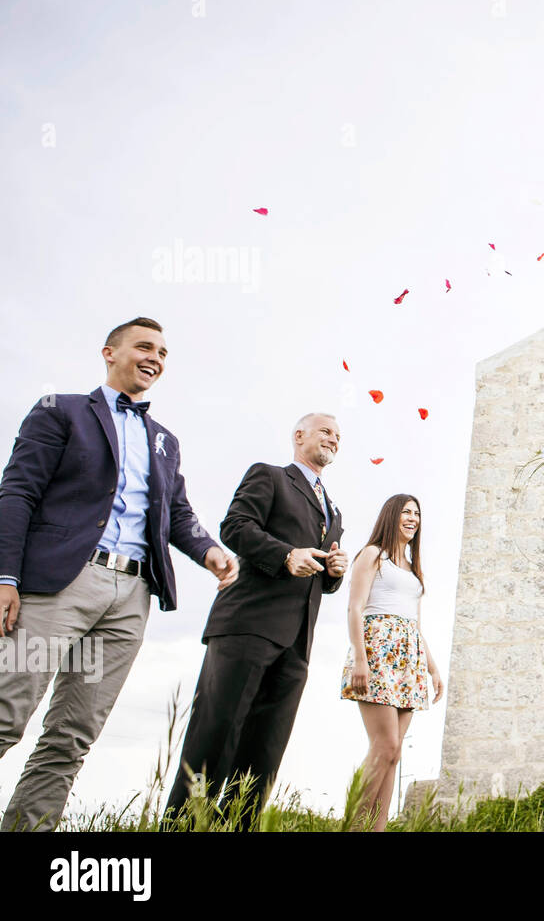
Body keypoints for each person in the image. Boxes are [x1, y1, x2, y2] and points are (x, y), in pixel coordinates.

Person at [0, 316, 238, 831]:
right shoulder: (58, 410)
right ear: (109, 353)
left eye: (163, 352)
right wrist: (6, 577)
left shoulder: (164, 441)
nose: (155, 357)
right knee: (5, 713)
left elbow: (176, 512)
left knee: (72, 735)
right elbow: (17, 492)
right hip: (59, 585)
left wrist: (210, 552)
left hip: (130, 599)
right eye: (144, 346)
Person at [164, 413, 347, 828]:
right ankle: (183, 826)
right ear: (299, 436)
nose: (334, 439)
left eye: (338, 436)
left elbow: (321, 580)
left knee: (265, 752)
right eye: (325, 431)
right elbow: (235, 527)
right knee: (215, 736)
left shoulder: (333, 510)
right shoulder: (270, 476)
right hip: (247, 626)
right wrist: (286, 554)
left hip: (297, 642)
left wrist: (334, 570)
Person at [340, 494, 442, 831]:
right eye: (405, 512)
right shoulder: (372, 555)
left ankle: (377, 828)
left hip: (408, 659)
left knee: (395, 753)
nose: (412, 518)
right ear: (391, 516)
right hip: (379, 652)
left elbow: (414, 623)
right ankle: (355, 826)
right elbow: (355, 607)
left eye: (416, 513)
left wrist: (432, 667)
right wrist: (360, 658)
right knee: (384, 745)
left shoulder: (413, 570)